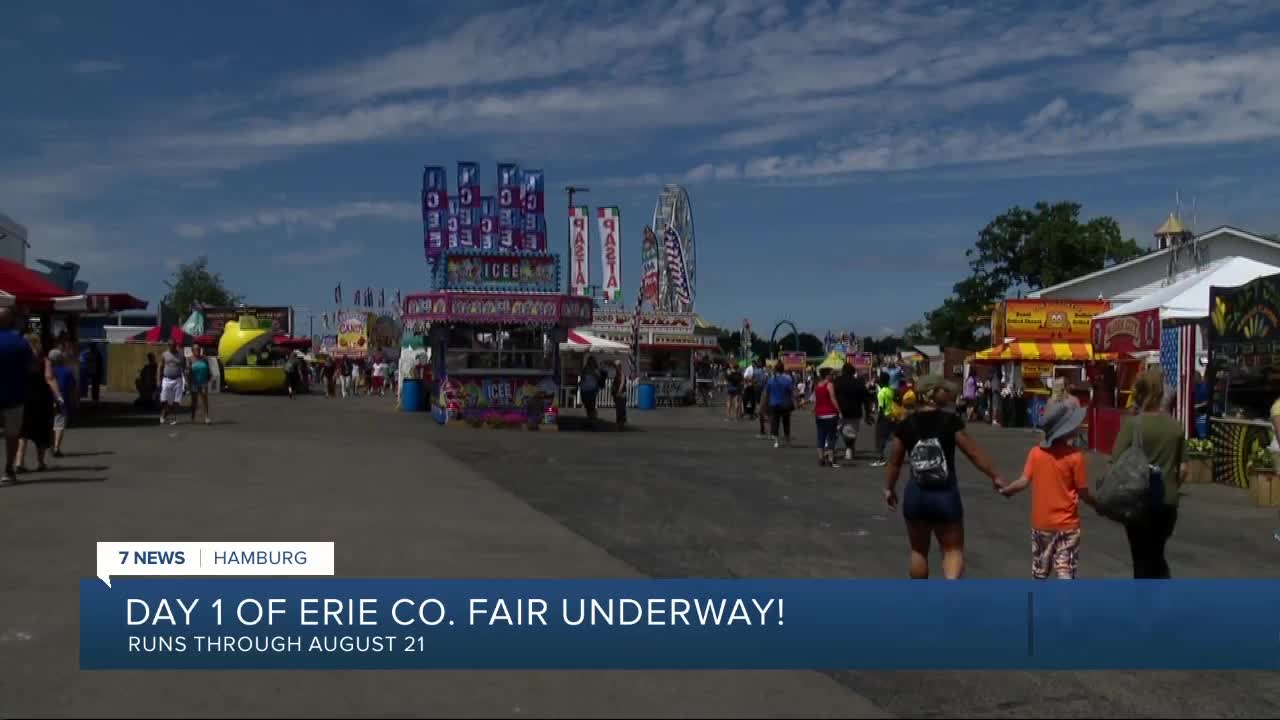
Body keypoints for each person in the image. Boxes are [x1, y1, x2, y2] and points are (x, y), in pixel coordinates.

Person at [884, 375, 1003, 580]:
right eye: (944, 390)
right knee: (952, 550)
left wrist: (889, 488)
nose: (948, 393)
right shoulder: (949, 421)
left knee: (918, 552)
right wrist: (995, 475)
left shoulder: (906, 424)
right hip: (945, 495)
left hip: (916, 495)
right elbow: (973, 452)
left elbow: (895, 462)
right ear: (932, 394)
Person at [997, 399, 1095, 579]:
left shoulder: (1036, 453)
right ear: (1067, 430)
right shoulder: (1075, 457)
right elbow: (1083, 492)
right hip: (1067, 525)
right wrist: (1097, 503)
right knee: (1065, 571)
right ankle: (1063, 606)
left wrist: (1007, 490)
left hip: (1041, 524)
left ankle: (1036, 606)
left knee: (1040, 572)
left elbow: (1023, 481)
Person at [1110, 368, 1185, 579]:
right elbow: (1184, 469)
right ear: (1161, 394)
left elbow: (1116, 461)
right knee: (1156, 552)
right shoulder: (1175, 427)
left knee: (1141, 558)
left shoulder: (1132, 425)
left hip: (1137, 500)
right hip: (1167, 502)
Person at [17, 337, 63, 474]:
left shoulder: (20, 361)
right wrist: (59, 396)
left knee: (22, 432)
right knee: (41, 431)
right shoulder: (44, 360)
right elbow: (50, 378)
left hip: (23, 397)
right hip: (42, 399)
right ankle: (40, 462)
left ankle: (19, 462)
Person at [0, 308, 34, 485]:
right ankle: (8, 470)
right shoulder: (19, 342)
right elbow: (32, 367)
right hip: (14, 395)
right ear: (11, 321)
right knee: (12, 435)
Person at [834, 364, 874, 462]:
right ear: (853, 372)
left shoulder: (837, 382)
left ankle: (842, 449)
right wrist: (868, 415)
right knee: (851, 433)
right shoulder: (859, 383)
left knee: (839, 431)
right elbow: (866, 399)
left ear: (843, 371)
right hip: (855, 412)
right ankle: (849, 449)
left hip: (839, 411)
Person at [813, 367, 842, 468]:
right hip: (830, 414)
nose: (832, 376)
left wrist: (814, 411)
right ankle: (830, 459)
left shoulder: (817, 386)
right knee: (831, 437)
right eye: (831, 374)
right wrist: (839, 411)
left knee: (821, 436)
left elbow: (816, 401)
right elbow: (833, 399)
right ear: (827, 375)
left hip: (819, 414)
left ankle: (821, 459)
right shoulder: (829, 385)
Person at [50, 349, 76, 457]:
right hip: (62, 401)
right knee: (59, 425)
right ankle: (56, 447)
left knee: (50, 425)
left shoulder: (47, 371)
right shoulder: (68, 371)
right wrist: (73, 401)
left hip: (47, 400)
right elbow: (72, 388)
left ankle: (50, 446)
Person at [765, 360, 796, 448]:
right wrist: (794, 401)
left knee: (775, 422)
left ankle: (776, 441)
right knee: (786, 422)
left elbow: (767, 392)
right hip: (785, 404)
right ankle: (787, 440)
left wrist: (766, 404)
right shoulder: (787, 380)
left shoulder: (771, 380)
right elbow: (791, 392)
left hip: (774, 404)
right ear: (783, 370)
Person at [157, 341, 186, 425]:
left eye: (173, 345)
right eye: (170, 345)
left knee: (176, 401)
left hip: (178, 380)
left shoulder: (180, 355)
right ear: (168, 346)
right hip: (166, 380)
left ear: (175, 345)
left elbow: (184, 368)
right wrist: (158, 380)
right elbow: (160, 367)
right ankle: (163, 415)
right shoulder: (164, 355)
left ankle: (174, 418)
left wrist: (186, 381)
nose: (172, 347)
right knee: (164, 400)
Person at [189, 345, 213, 424]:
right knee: (194, 401)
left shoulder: (204, 358)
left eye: (199, 349)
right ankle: (193, 417)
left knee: (204, 400)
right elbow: (188, 371)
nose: (198, 351)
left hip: (203, 382)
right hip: (194, 382)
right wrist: (188, 382)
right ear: (192, 351)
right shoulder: (190, 359)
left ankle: (206, 417)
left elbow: (208, 368)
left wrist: (210, 376)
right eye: (196, 349)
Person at [579, 356, 602, 429]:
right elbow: (582, 378)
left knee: (591, 406)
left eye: (591, 361)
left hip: (591, 389)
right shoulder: (585, 369)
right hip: (585, 389)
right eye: (590, 361)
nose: (590, 362)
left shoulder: (595, 370)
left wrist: (593, 373)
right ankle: (590, 420)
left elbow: (598, 377)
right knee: (587, 405)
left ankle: (593, 420)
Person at [610, 360, 628, 430]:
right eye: (615, 367)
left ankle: (621, 424)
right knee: (618, 409)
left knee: (621, 409)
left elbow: (622, 383)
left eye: (616, 366)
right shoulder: (617, 374)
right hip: (617, 394)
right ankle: (619, 423)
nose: (615, 368)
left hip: (621, 394)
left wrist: (619, 392)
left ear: (619, 367)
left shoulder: (622, 374)